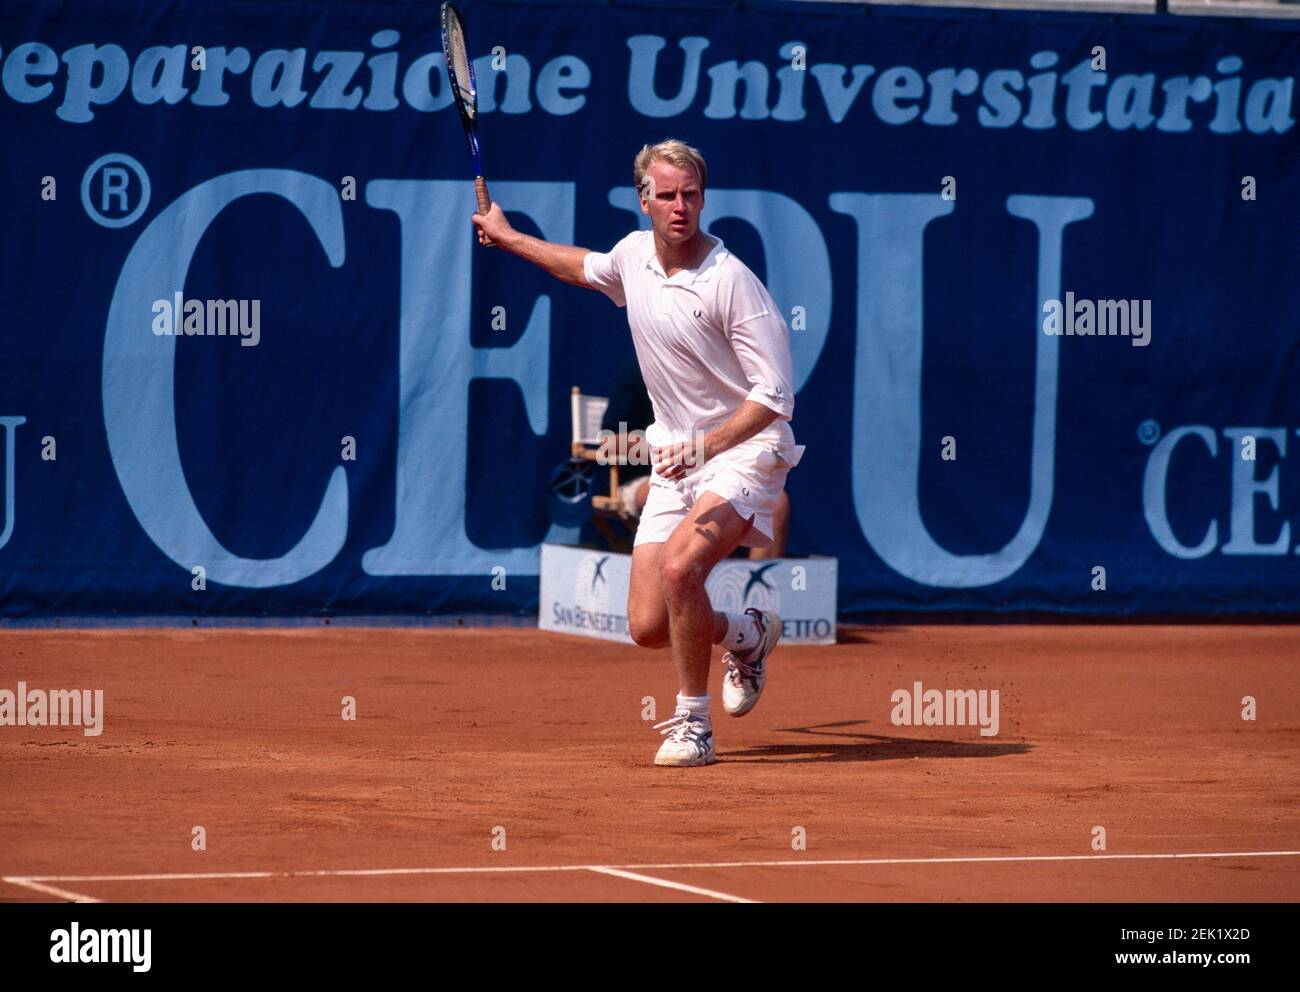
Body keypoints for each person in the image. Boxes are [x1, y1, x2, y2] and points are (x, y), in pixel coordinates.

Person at [472, 139, 803, 767]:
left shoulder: (733, 283)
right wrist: (509, 237)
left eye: (692, 195)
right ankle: (749, 634)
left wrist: (705, 444)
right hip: (675, 458)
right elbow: (580, 267)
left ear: (703, 199)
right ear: (644, 200)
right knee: (649, 626)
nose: (681, 207)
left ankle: (692, 724)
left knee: (683, 569)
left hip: (745, 450)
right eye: (669, 195)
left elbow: (776, 397)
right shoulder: (631, 257)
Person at [600, 355, 791, 559]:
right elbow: (610, 444)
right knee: (693, 492)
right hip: (646, 479)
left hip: (715, 470)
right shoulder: (640, 370)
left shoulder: (720, 374)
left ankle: (758, 588)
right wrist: (671, 449)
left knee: (777, 503)